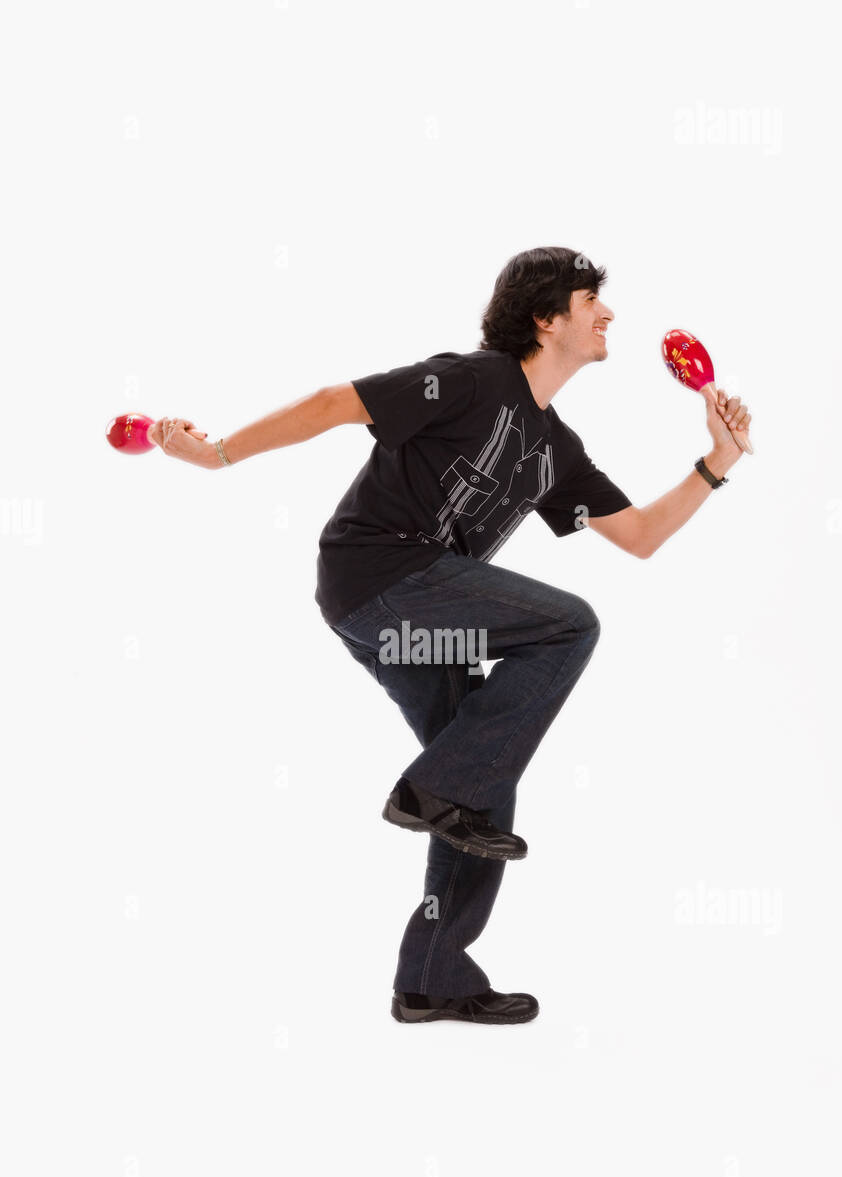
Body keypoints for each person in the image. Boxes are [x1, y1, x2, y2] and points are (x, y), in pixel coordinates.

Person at [146, 247, 752, 1027]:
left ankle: (431, 979)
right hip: (380, 579)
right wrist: (220, 453)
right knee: (569, 625)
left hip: (408, 629)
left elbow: (637, 535)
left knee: (482, 787)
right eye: (589, 299)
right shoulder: (473, 379)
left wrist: (717, 461)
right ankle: (433, 788)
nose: (607, 314)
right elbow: (337, 401)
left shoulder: (556, 450)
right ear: (545, 317)